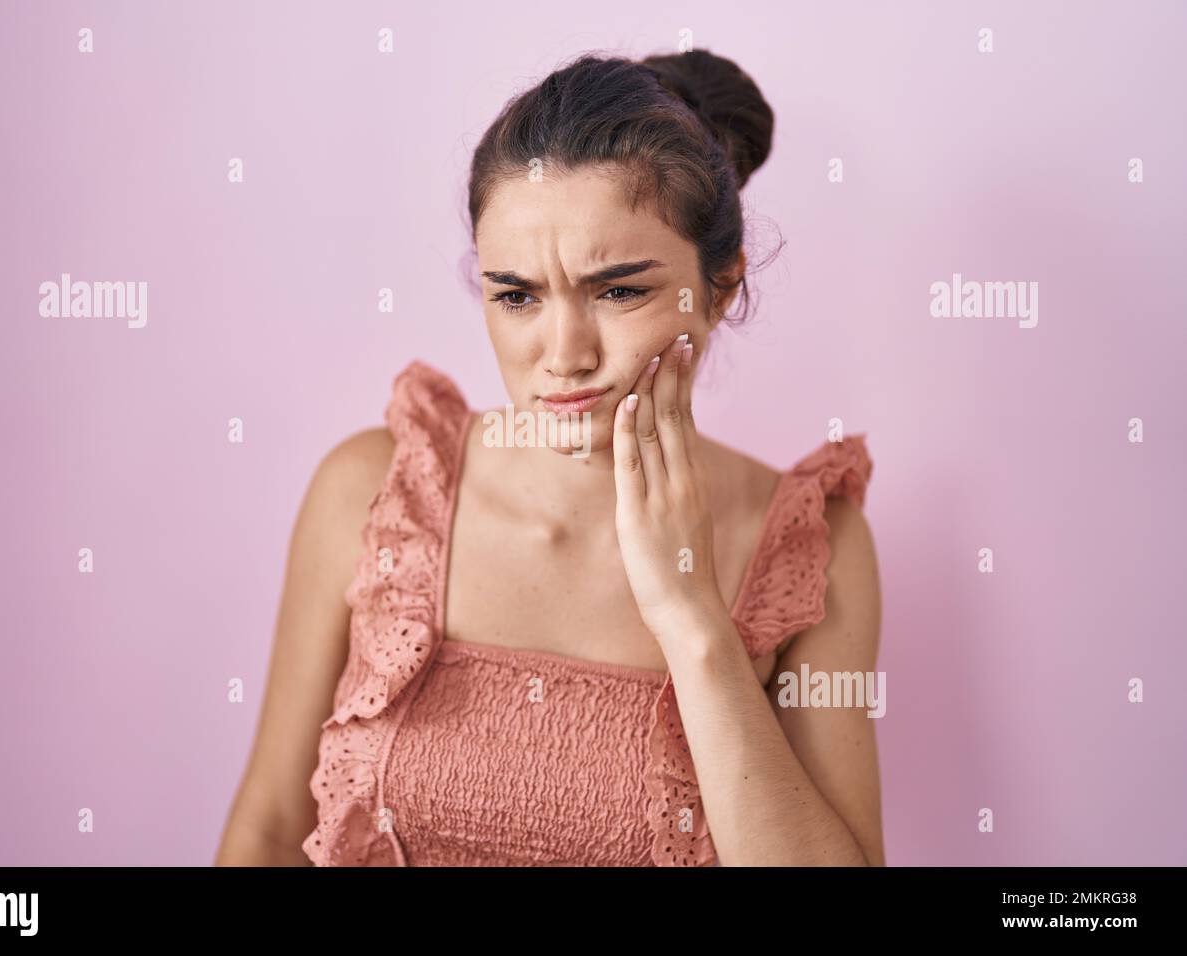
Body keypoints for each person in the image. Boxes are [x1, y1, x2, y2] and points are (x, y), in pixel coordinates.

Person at [216, 48, 883, 867]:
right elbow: (270, 831)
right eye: (518, 296)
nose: (563, 355)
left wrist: (691, 618)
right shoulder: (371, 489)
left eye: (618, 290)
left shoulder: (811, 546)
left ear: (719, 288)